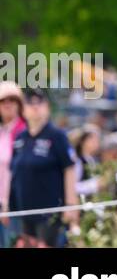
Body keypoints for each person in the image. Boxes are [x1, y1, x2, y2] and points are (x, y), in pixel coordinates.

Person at [9, 88, 78, 247]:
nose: (35, 107)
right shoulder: (20, 138)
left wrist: (71, 205)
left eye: (39, 103)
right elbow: (14, 173)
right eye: (30, 104)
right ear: (23, 110)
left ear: (47, 107)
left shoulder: (57, 136)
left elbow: (69, 169)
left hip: (50, 214)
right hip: (24, 212)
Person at [0, 81, 27, 248]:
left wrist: (6, 205)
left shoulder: (24, 132)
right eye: (3, 100)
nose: (8, 104)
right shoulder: (3, 131)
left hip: (14, 206)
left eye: (13, 99)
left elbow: (15, 172)